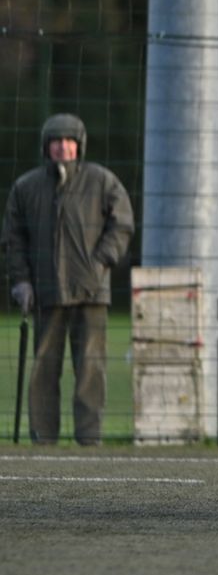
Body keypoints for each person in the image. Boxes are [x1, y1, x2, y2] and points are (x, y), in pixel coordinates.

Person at [2, 113, 134, 446]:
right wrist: (21, 282)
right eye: (55, 141)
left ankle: (89, 439)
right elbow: (13, 239)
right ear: (46, 147)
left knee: (90, 370)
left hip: (91, 293)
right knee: (44, 369)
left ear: (79, 145)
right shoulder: (26, 187)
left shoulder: (103, 181)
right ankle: (42, 440)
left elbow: (121, 226)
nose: (62, 147)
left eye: (68, 141)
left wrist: (100, 263)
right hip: (45, 293)